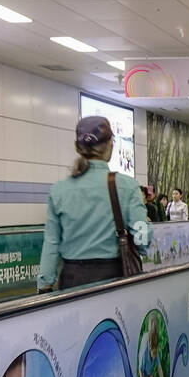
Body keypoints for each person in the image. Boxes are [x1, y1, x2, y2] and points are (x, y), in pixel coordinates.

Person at [37, 115, 153, 292]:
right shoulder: (127, 187)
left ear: (77, 147)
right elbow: (142, 239)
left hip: (71, 279)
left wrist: (44, 285)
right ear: (110, 145)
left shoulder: (58, 190)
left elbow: (51, 242)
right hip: (115, 278)